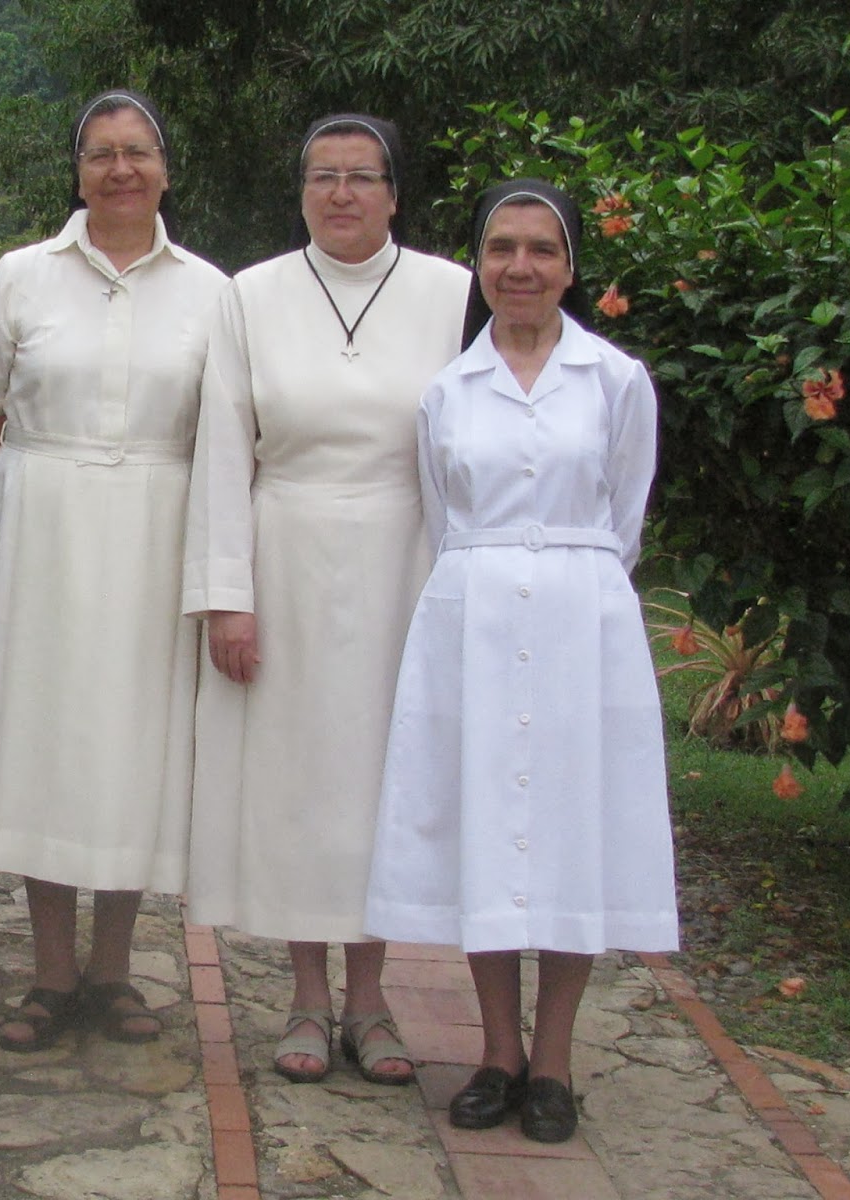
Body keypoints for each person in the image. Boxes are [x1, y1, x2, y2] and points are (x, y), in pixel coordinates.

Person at [365, 179, 677, 1142]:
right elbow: (441, 511)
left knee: (574, 830)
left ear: (571, 266)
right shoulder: (446, 391)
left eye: (541, 249)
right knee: (486, 829)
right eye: (501, 249)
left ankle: (554, 1063)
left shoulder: (617, 380)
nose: (520, 267)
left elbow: (621, 518)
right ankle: (496, 1053)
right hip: (476, 624)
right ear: (480, 265)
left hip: (585, 626)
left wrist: (563, 578)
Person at [183, 115, 470, 1085]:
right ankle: (308, 998)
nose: (340, 194)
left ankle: (372, 1000)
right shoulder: (249, 295)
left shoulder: (450, 293)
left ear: (395, 192)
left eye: (361, 177)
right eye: (321, 176)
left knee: (381, 783)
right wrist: (229, 598)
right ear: (299, 190)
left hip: (405, 556)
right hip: (285, 548)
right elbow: (222, 449)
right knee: (299, 784)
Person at [0, 89, 227, 1051]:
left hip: (159, 532)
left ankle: (115, 972)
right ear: (76, 173)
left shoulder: (210, 290)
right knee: (47, 742)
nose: (120, 169)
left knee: (132, 750)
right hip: (39, 532)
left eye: (138, 152)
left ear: (165, 167)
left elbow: (230, 439)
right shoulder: (20, 278)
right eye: (101, 154)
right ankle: (51, 973)